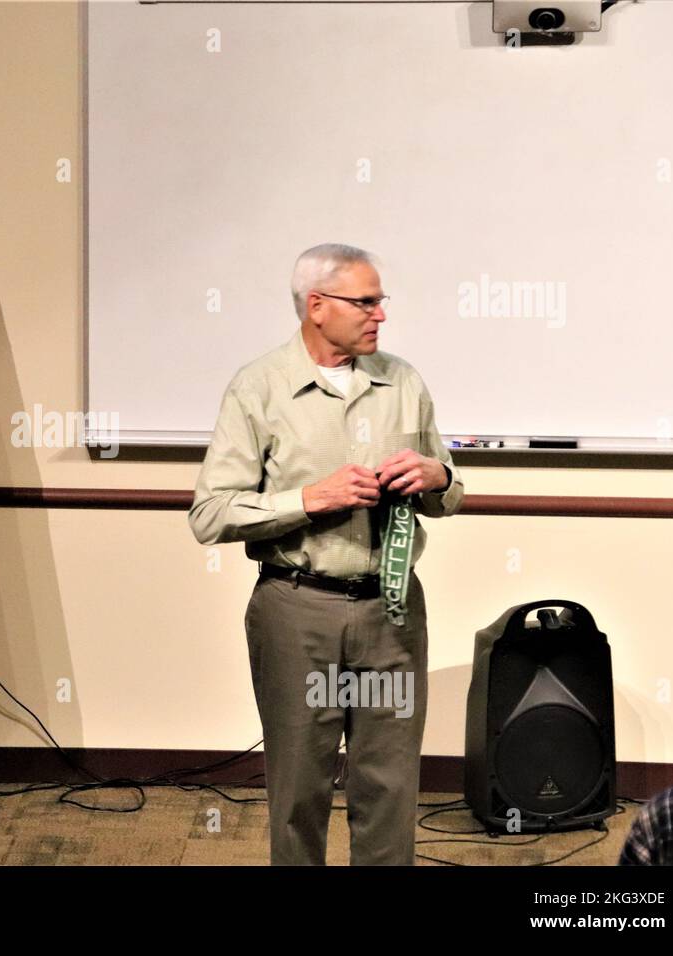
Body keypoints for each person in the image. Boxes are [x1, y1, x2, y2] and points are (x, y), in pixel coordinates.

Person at [189, 243, 464, 865]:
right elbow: (210, 514)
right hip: (299, 613)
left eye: (379, 300)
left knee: (388, 783)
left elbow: (450, 491)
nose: (380, 315)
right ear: (317, 306)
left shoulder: (404, 381)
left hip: (389, 615)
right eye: (366, 302)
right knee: (300, 786)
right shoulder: (259, 387)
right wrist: (309, 499)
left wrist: (436, 478)